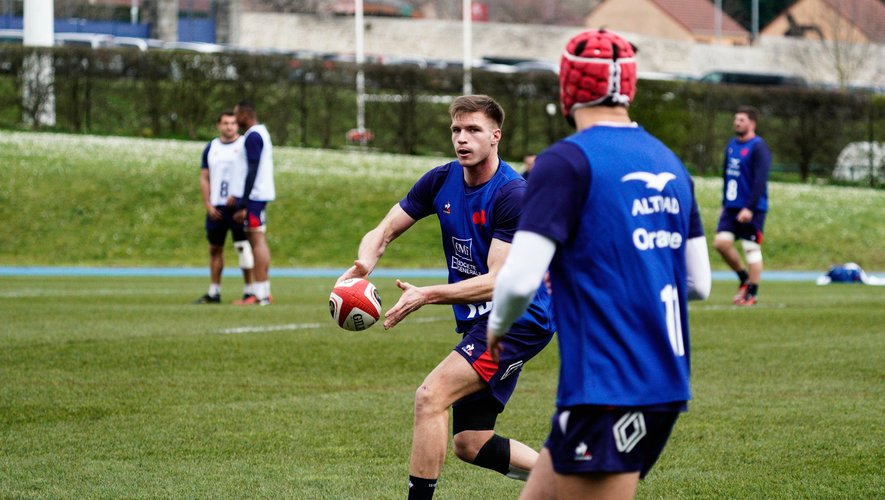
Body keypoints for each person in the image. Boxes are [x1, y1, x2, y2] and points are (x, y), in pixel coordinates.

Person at [486, 29, 711, 499]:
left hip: (611, 387)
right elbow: (699, 283)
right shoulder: (668, 162)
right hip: (662, 380)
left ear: (567, 85)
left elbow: (518, 280)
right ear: (629, 88)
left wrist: (497, 327)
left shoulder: (566, 161)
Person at [336, 95, 556, 500]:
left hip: (516, 321)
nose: (462, 138)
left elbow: (499, 281)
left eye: (473, 130)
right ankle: (571, 482)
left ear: (495, 136)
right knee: (471, 443)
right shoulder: (441, 179)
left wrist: (428, 295)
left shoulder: (513, 194)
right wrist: (363, 265)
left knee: (430, 396)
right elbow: (384, 229)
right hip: (483, 320)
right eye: (456, 130)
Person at [713, 105, 771, 306]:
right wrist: (724, 202)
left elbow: (760, 180)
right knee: (721, 243)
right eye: (736, 119)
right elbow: (727, 175)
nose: (737, 123)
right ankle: (744, 279)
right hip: (731, 207)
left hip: (752, 208)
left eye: (742, 120)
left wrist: (750, 207)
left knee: (751, 249)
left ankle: (752, 294)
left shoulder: (758, 147)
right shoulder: (731, 145)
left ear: (752, 123)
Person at [194, 111, 254, 304]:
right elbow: (205, 177)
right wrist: (207, 203)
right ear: (219, 125)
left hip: (237, 207)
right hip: (217, 207)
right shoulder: (211, 147)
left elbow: (252, 173)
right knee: (214, 249)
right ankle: (214, 291)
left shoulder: (244, 144)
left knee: (243, 248)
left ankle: (249, 290)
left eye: (233, 123)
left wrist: (243, 199)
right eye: (225, 123)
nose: (229, 126)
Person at [231, 100, 275, 306]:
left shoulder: (253, 136)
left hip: (255, 197)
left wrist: (244, 201)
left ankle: (261, 293)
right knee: (256, 240)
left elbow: (252, 169)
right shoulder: (260, 133)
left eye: (236, 114)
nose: (234, 118)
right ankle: (262, 291)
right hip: (259, 195)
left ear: (245, 115)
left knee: (256, 240)